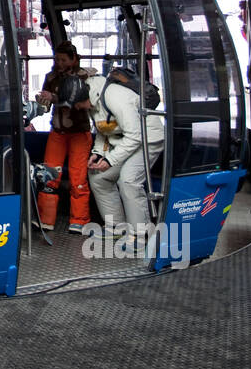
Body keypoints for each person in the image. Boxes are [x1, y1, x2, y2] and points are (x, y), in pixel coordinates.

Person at [87, 67, 165, 245]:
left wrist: (110, 160)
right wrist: (98, 153)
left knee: (129, 180)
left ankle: (140, 234)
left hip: (148, 138)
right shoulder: (92, 102)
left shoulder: (114, 97)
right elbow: (103, 128)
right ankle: (116, 227)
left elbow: (135, 135)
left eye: (76, 105)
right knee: (99, 177)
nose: (77, 109)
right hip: (126, 141)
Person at [35, 42, 93, 234]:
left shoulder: (84, 76)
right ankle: (46, 218)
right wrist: (41, 102)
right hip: (58, 132)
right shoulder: (50, 77)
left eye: (63, 59)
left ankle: (80, 219)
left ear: (73, 59)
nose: (59, 63)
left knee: (78, 177)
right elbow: (46, 108)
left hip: (79, 133)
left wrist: (54, 97)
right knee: (49, 175)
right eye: (57, 59)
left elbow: (79, 101)